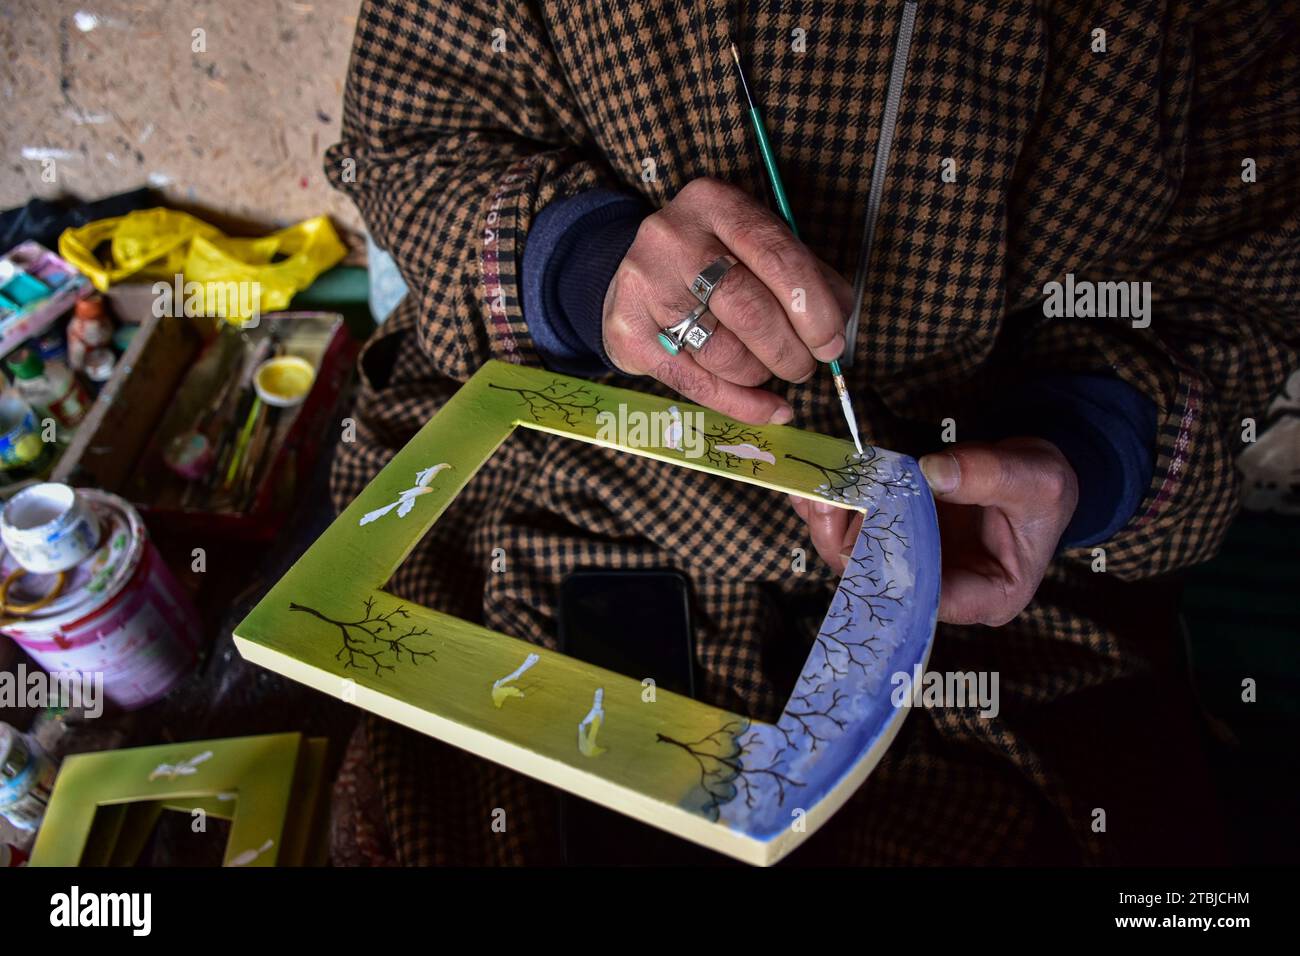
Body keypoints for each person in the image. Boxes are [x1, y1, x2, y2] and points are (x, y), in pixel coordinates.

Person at [323, 0, 1298, 864]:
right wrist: (592, 267)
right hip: (579, 464)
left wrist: (1086, 448)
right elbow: (407, 143)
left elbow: (1239, 296)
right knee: (476, 812)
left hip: (1007, 572)